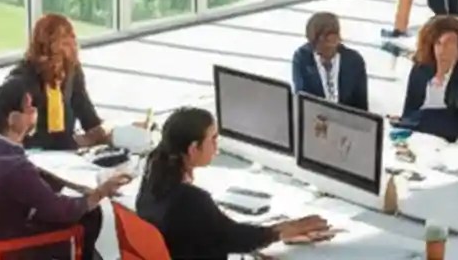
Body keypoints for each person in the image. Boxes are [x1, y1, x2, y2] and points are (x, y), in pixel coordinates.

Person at [0, 76, 129, 260]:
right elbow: (59, 210)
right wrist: (100, 192)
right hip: (13, 239)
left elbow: (29, 191)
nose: (35, 111)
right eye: (29, 108)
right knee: (90, 214)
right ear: (13, 119)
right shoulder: (14, 167)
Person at [136, 108, 329, 260]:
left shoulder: (153, 173)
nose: (216, 147)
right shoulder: (191, 200)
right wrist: (279, 231)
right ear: (194, 148)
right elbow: (233, 238)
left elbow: (219, 233)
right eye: (213, 139)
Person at [9, 14, 110, 151]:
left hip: (68, 153)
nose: (73, 45)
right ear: (46, 45)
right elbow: (16, 136)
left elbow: (88, 118)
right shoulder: (22, 79)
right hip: (34, 155)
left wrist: (110, 132)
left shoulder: (72, 71)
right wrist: (79, 141)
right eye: (64, 41)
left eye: (72, 38)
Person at [400, 15, 458, 142]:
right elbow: (407, 114)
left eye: (449, 43)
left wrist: (422, 117)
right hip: (417, 138)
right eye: (438, 43)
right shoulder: (420, 69)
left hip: (454, 142)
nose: (442, 50)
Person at [291, 12, 370, 112]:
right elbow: (301, 98)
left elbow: (361, 106)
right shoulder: (302, 58)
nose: (320, 47)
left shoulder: (354, 61)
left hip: (346, 120)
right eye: (315, 43)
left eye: (325, 41)